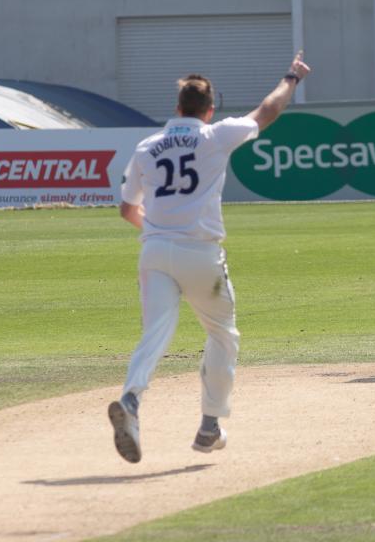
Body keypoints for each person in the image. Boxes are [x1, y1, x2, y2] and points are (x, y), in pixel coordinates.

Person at [109, 52, 312, 463]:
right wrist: (292, 77)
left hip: (154, 251)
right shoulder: (215, 135)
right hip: (200, 253)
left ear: (177, 107)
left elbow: (128, 210)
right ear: (209, 109)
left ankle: (131, 399)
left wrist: (159, 231)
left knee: (156, 333)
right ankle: (209, 425)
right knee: (222, 335)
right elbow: (267, 111)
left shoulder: (147, 146)